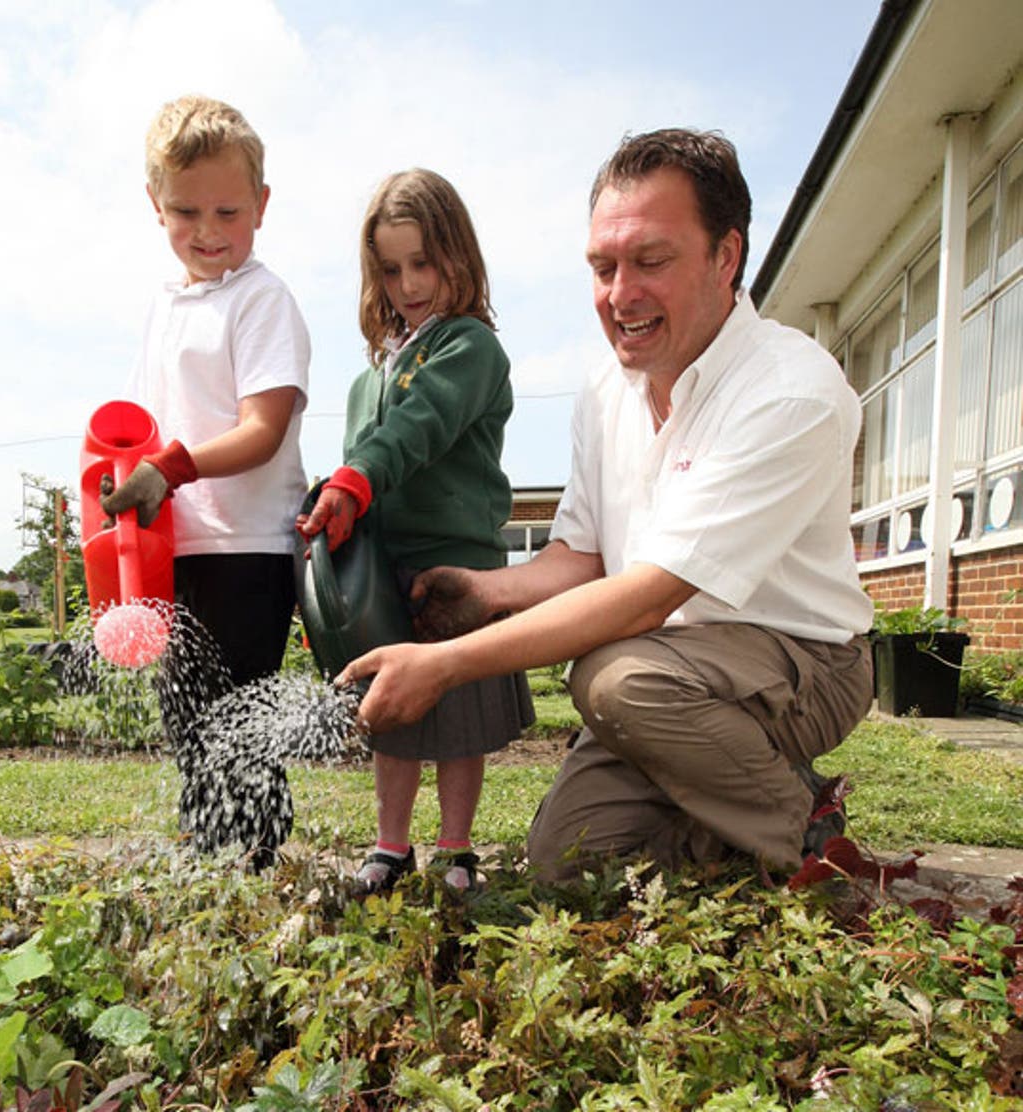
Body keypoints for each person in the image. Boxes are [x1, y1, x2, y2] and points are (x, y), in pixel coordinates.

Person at [338, 129, 874, 882]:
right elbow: (581, 557)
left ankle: (808, 835)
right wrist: (485, 592)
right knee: (563, 861)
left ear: (727, 256)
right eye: (603, 267)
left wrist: (446, 664)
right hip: (666, 669)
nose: (621, 295)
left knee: (612, 679)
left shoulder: (789, 392)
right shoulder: (605, 390)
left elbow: (648, 595)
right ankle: (723, 800)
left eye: (651, 261)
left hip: (799, 659)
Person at [298, 168, 534, 892]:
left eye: (423, 263)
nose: (408, 283)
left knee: (458, 716)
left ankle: (456, 846)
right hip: (387, 567)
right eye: (391, 269)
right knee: (393, 716)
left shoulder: (470, 349)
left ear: (458, 255)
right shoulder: (367, 379)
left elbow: (420, 425)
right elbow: (362, 456)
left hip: (456, 567)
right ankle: (391, 846)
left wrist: (358, 476)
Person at [100, 94, 310, 863]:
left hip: (246, 547)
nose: (209, 232)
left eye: (228, 211)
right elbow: (136, 428)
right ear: (155, 206)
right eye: (187, 212)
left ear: (261, 204)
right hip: (173, 548)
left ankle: (251, 860)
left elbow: (264, 429)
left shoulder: (261, 301)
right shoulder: (164, 305)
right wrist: (109, 488)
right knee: (185, 716)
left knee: (234, 716)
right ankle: (208, 854)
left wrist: (171, 467)